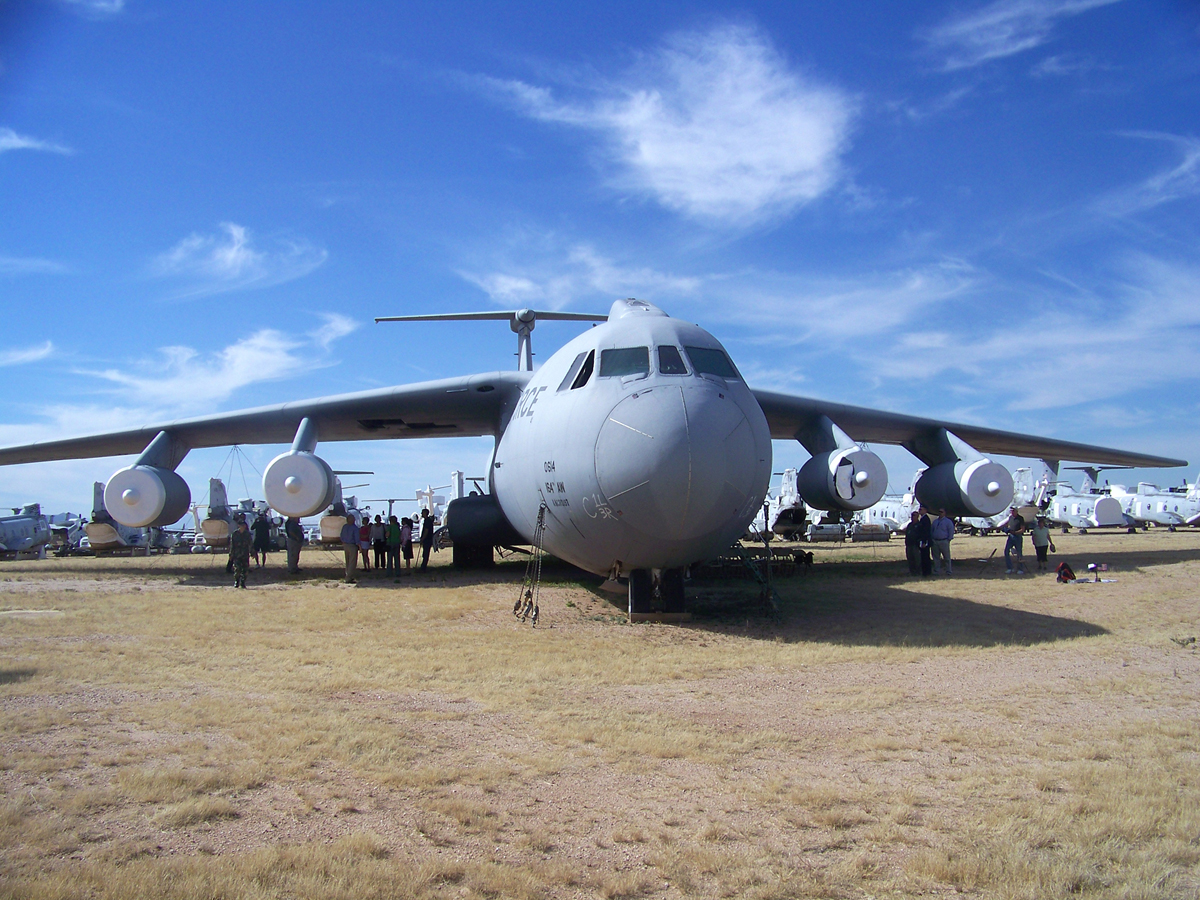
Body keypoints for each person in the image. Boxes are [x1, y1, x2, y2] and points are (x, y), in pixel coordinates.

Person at [930, 508, 955, 575]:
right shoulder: (935, 522)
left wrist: (948, 539)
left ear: (944, 513)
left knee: (946, 557)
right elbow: (932, 530)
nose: (940, 513)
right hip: (935, 541)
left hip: (944, 541)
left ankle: (948, 571)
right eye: (939, 512)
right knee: (936, 558)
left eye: (941, 512)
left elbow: (951, 531)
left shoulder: (948, 522)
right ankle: (936, 571)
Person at [228, 518, 252, 588]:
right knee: (237, 569)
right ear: (238, 526)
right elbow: (232, 545)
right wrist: (231, 554)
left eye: (243, 525)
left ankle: (243, 582)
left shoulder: (247, 534)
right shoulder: (235, 534)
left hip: (245, 554)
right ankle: (237, 581)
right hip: (237, 554)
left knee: (245, 569)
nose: (242, 527)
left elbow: (250, 544)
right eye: (241, 525)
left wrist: (252, 552)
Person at [1002, 509, 1027, 574]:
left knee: (1019, 552)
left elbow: (1022, 529)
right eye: (1011, 511)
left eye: (1013, 511)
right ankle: (1010, 568)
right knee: (1006, 551)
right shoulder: (1010, 518)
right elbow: (1007, 525)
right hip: (1011, 536)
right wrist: (1006, 530)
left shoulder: (1020, 518)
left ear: (1016, 511)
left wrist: (1015, 532)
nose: (1012, 512)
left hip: (1017, 536)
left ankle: (1020, 569)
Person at [340, 513, 359, 583]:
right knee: (352, 562)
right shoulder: (355, 528)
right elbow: (357, 538)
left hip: (345, 545)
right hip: (352, 545)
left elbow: (341, 536)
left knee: (347, 561)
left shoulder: (344, 527)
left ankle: (348, 574)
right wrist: (360, 547)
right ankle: (349, 577)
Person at [915, 507, 933, 576]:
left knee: (925, 557)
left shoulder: (925, 519)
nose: (920, 511)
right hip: (922, 540)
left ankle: (927, 572)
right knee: (923, 557)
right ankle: (925, 571)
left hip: (925, 541)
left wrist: (924, 541)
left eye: (921, 510)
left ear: (925, 510)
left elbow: (926, 531)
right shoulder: (922, 519)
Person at [904, 510, 921, 576]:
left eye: (914, 516)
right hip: (909, 544)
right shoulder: (910, 525)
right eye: (912, 516)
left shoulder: (919, 525)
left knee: (917, 559)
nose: (912, 517)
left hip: (915, 544)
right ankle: (912, 571)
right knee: (910, 558)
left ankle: (917, 571)